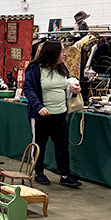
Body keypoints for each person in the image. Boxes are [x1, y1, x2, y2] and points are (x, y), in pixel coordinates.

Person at [23, 40, 82, 188]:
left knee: (62, 146)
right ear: (52, 53)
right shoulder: (35, 69)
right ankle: (38, 172)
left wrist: (74, 91)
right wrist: (38, 107)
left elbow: (66, 90)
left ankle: (65, 174)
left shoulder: (62, 69)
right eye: (62, 51)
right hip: (41, 115)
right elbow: (28, 89)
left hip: (60, 114)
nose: (64, 54)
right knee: (40, 145)